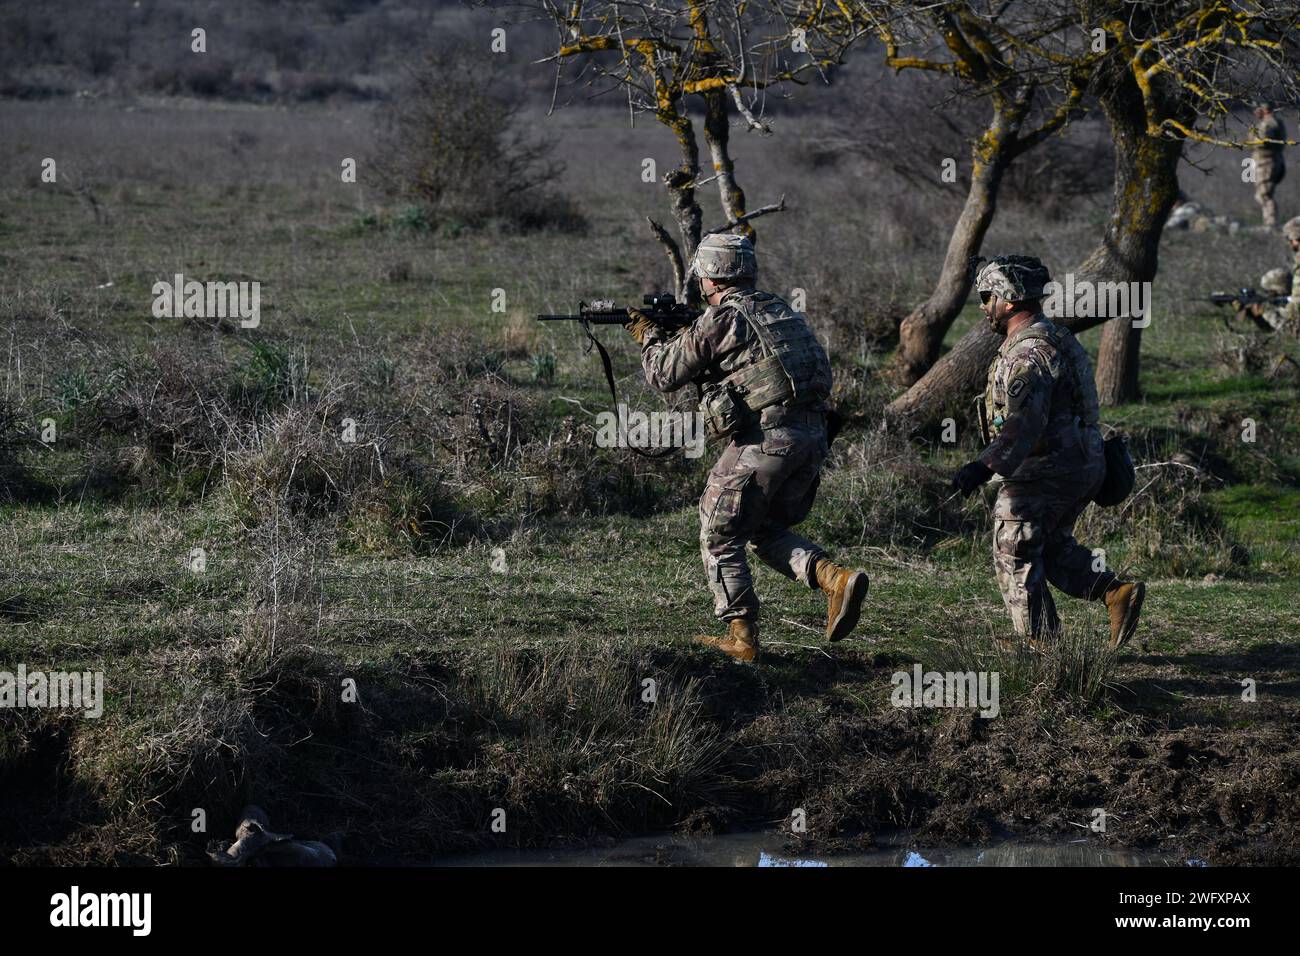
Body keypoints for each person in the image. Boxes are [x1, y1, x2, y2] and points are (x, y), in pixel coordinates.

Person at [623, 233, 868, 663]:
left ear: (709, 275)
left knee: (718, 530)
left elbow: (663, 374)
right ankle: (834, 579)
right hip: (812, 440)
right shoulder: (780, 311)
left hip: (767, 441)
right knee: (759, 529)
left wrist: (647, 336)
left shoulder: (720, 320)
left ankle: (742, 638)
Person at [951, 256, 1146, 648]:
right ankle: (1113, 593)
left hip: (1047, 468)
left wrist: (982, 466)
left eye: (987, 296)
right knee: (1049, 543)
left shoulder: (1028, 354)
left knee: (1014, 550)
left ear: (1008, 300)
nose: (983, 305)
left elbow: (1024, 424)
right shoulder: (1054, 336)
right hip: (1081, 461)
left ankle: (1041, 649)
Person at [1250, 103, 1287, 228]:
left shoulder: (1270, 123)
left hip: (1267, 162)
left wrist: (1252, 137)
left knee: (1265, 194)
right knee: (1262, 194)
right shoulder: (1270, 122)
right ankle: (1269, 223)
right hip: (1266, 161)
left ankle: (1271, 224)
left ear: (1264, 109)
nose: (1255, 112)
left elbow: (1261, 141)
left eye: (1257, 109)